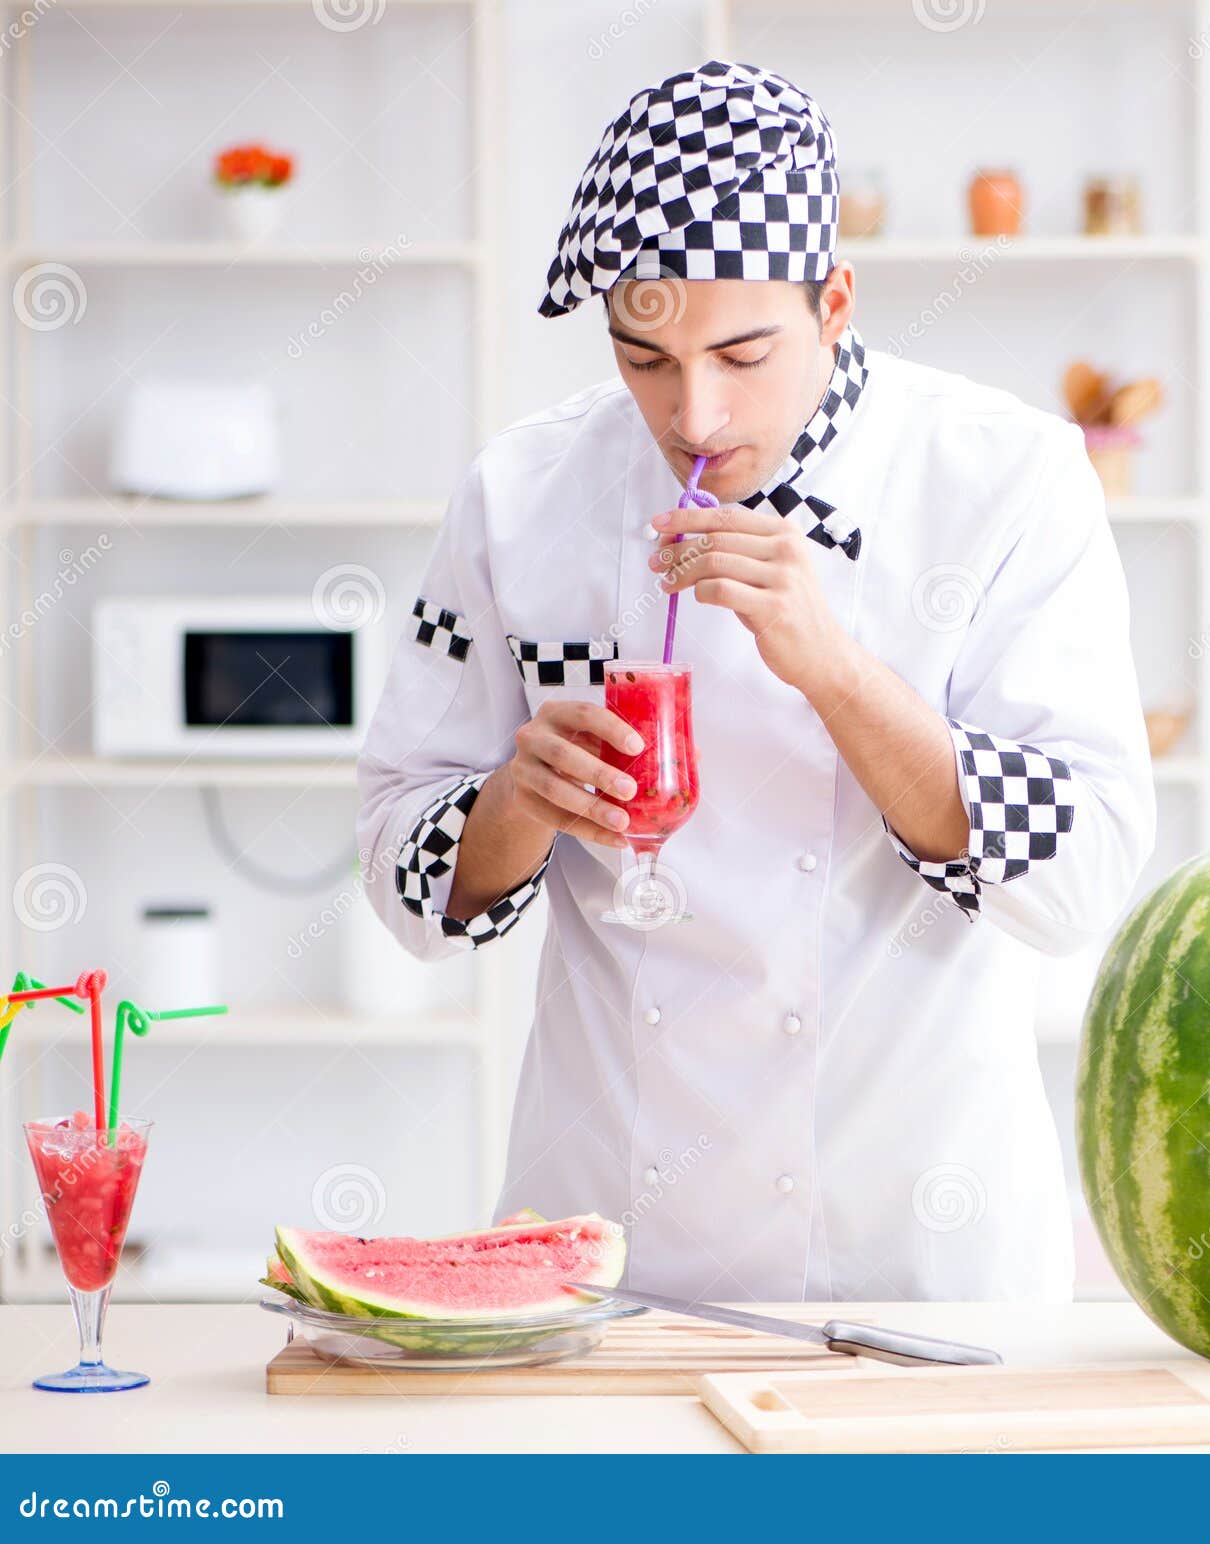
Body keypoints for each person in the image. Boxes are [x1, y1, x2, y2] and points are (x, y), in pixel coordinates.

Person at [357, 60, 1155, 1302]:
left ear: (834, 300)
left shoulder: (1009, 479)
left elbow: (1083, 872)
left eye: (743, 352)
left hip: (916, 1244)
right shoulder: (519, 496)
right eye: (644, 358)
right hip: (611, 1239)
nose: (694, 413)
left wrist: (834, 670)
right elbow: (402, 873)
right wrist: (518, 802)